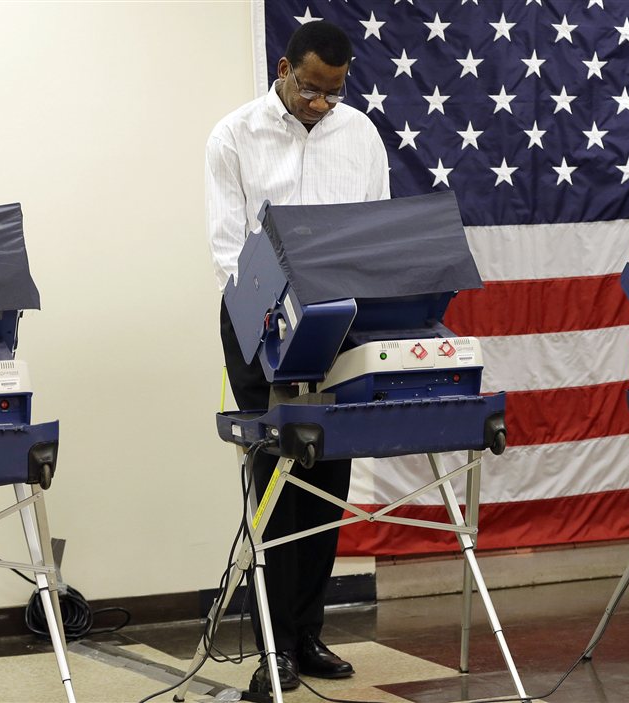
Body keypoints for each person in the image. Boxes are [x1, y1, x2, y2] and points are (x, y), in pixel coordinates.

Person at [205, 20, 389, 695]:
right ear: (285, 69)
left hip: (340, 318)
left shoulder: (360, 134)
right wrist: (274, 309)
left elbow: (376, 225)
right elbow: (227, 248)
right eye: (311, 90)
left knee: (326, 476)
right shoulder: (234, 135)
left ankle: (308, 632)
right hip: (261, 317)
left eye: (333, 94)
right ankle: (272, 645)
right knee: (275, 480)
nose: (320, 104)